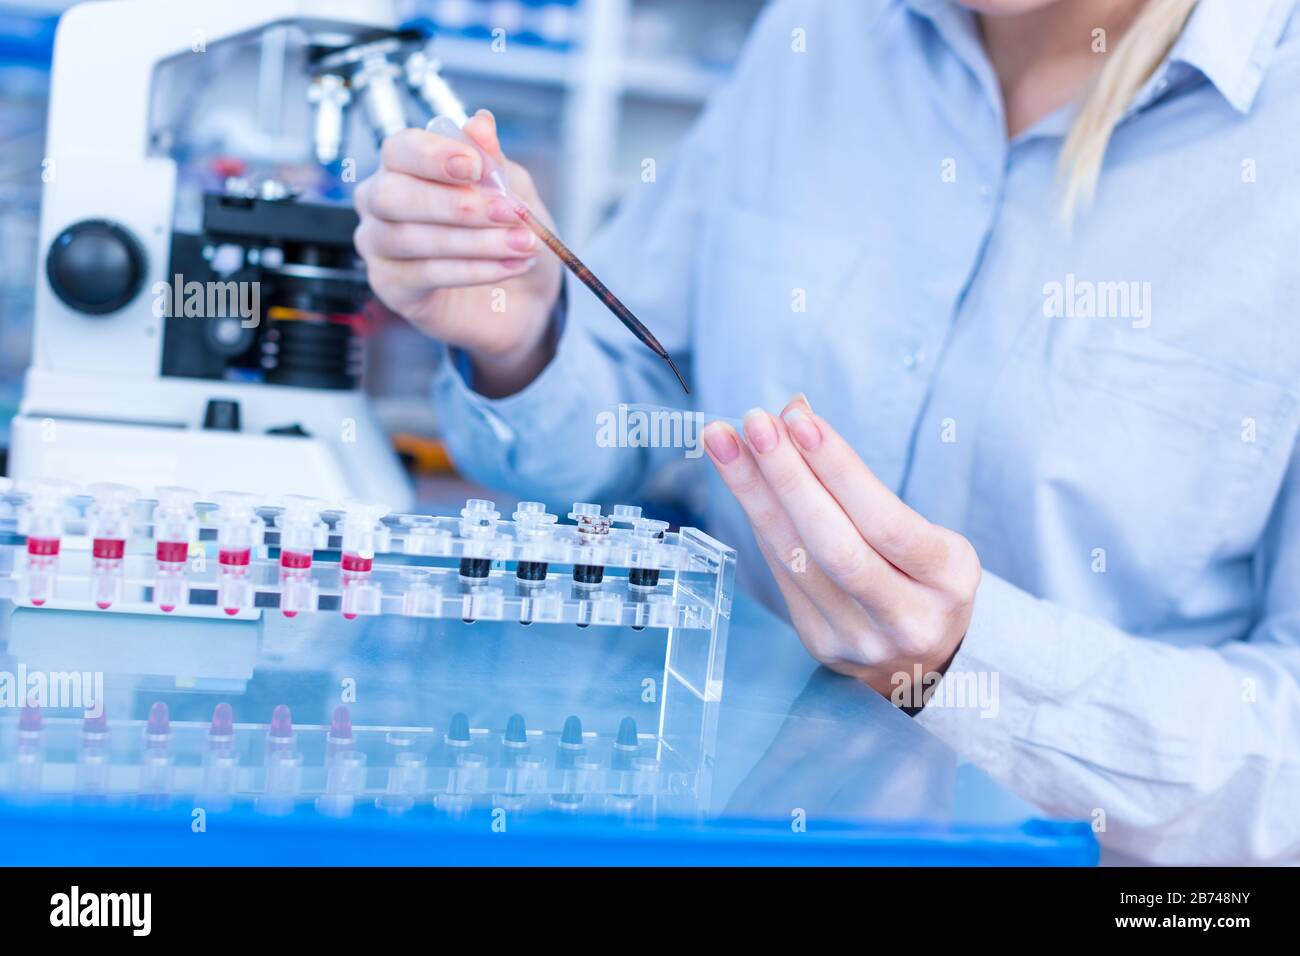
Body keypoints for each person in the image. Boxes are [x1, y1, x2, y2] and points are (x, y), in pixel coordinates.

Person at [352, 0, 1300, 864]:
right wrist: (524, 335)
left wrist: (969, 667)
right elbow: (648, 415)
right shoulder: (821, 33)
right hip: (718, 826)